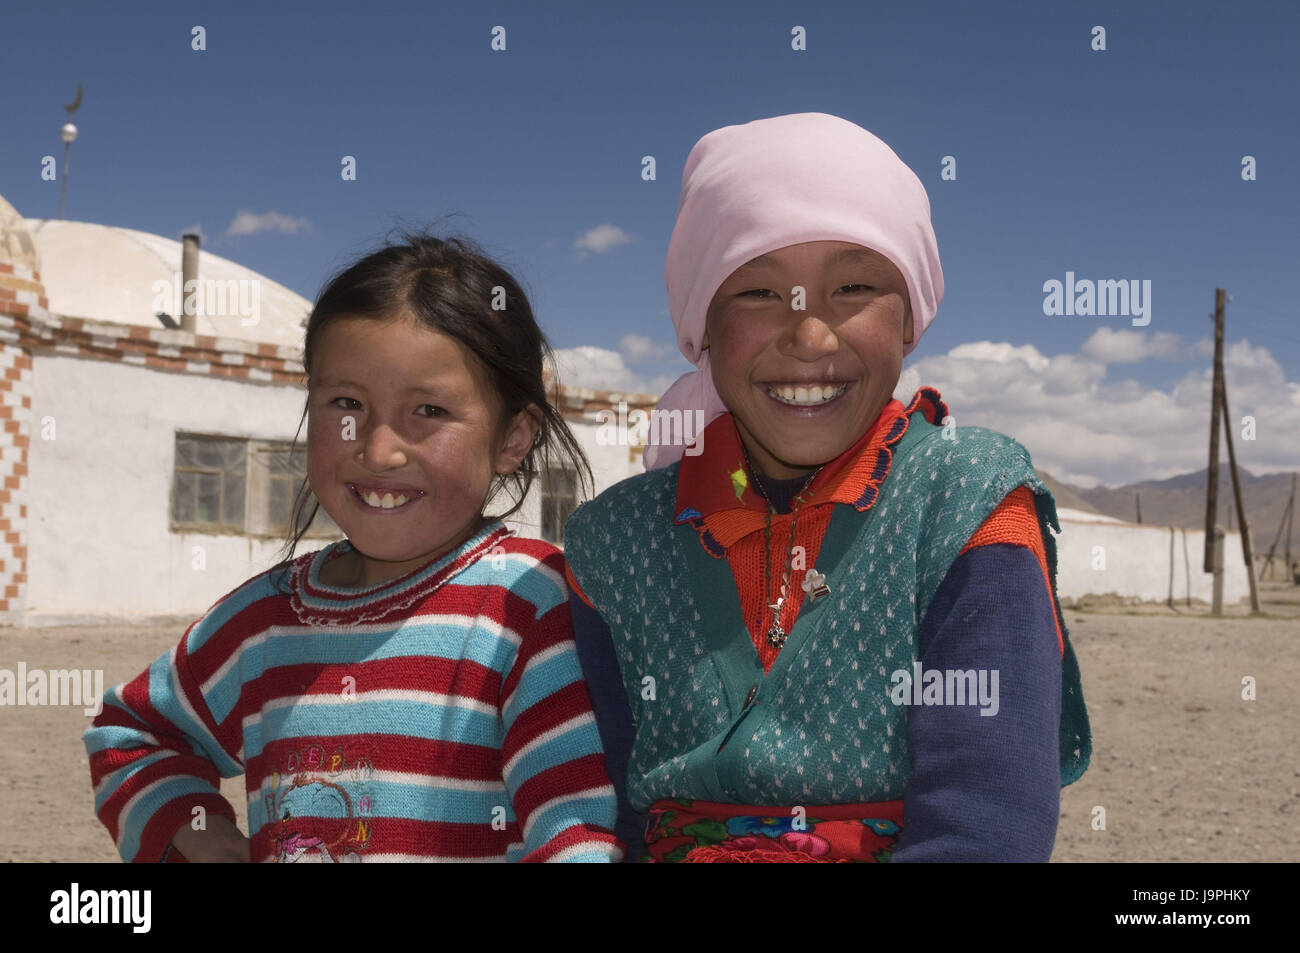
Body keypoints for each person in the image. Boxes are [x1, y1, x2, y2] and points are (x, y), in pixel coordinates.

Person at [562, 113, 1091, 862]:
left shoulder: (966, 503)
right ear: (701, 326)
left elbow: (984, 826)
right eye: (755, 292)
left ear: (910, 319)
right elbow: (588, 812)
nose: (809, 337)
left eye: (852, 285)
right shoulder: (613, 544)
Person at [84, 232, 621, 863]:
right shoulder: (262, 621)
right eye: (346, 404)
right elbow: (133, 733)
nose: (377, 449)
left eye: (428, 409)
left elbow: (576, 833)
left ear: (513, 438)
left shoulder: (528, 605)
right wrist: (208, 840)